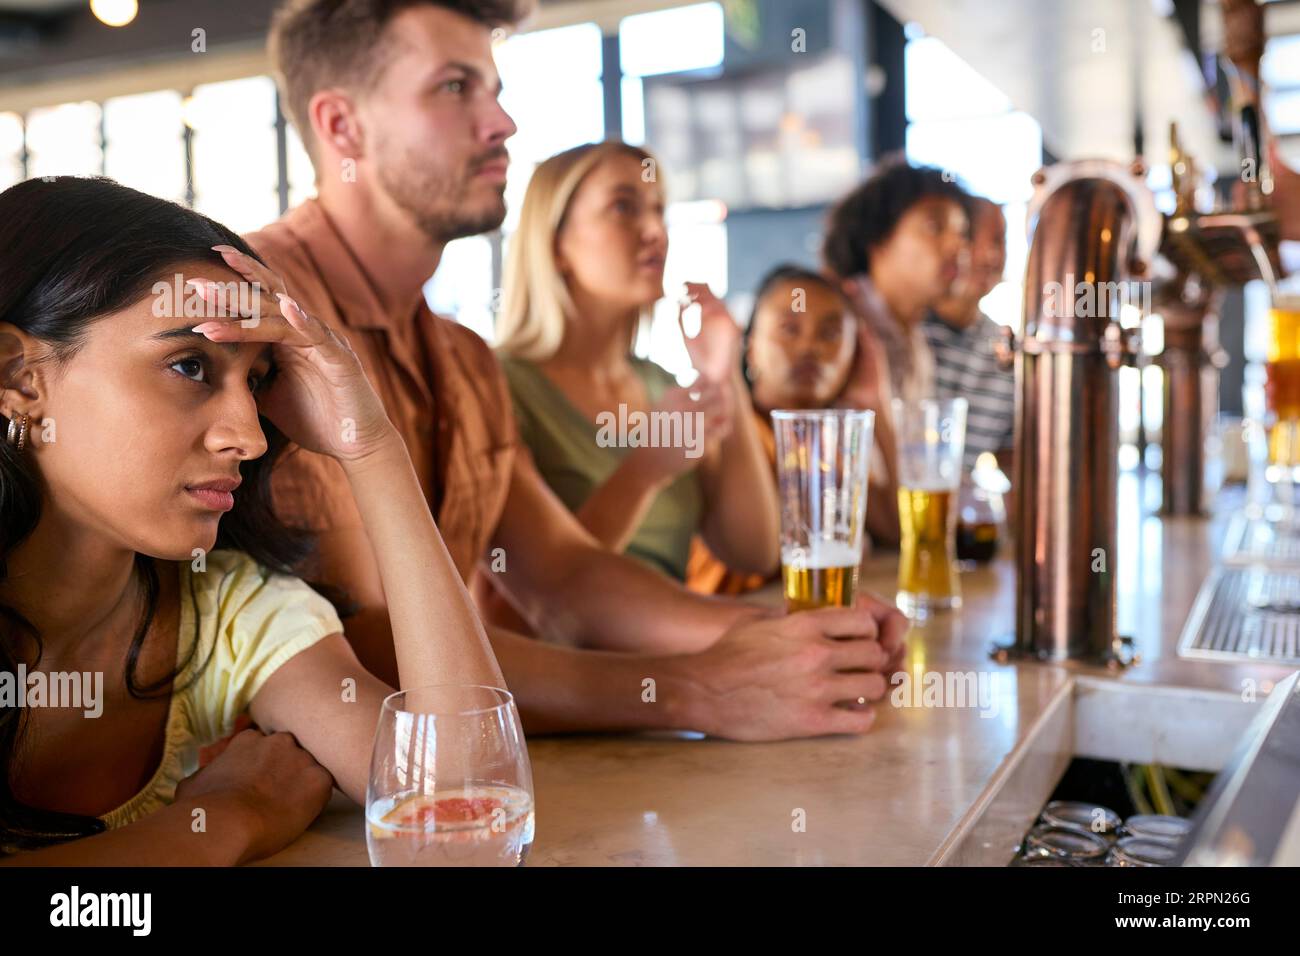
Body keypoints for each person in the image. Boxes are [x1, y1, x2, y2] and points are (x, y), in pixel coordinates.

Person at [250, 0, 906, 741]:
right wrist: (694, 690)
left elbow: (564, 575)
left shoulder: (461, 357)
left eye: (494, 90)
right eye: (455, 88)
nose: (503, 124)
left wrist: (794, 629)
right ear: (342, 127)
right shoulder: (264, 317)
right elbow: (370, 645)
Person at [0, 177, 501, 864]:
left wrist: (372, 449)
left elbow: (467, 821)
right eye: (189, 365)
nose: (251, 436)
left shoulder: (232, 615)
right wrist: (219, 820)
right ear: (21, 378)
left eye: (260, 380)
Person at [492, 140, 778, 590]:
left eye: (658, 210)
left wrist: (724, 375)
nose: (654, 231)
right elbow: (525, 599)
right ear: (555, 246)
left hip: (678, 651)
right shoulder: (497, 385)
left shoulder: (660, 384)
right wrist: (649, 468)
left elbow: (753, 550)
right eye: (623, 207)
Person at [686, 264, 859, 595]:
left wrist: (874, 394)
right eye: (789, 329)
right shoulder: (720, 434)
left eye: (830, 333)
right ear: (749, 347)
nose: (809, 347)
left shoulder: (836, 443)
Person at [822, 159, 970, 544]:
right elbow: (885, 520)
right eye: (935, 228)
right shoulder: (838, 331)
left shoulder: (914, 340)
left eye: (962, 233)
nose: (957, 246)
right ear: (877, 239)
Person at [924, 197, 1015, 472]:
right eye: (970, 237)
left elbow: (1014, 464)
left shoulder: (1005, 349)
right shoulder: (906, 333)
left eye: (999, 240)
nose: (990, 255)